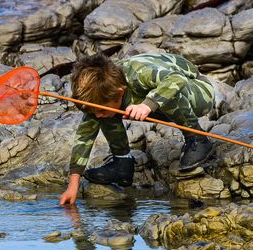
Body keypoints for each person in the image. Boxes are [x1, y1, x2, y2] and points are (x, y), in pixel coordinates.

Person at [58, 52, 216, 206]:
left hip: (198, 90)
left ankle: (197, 138)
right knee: (105, 116)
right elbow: (85, 136)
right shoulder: (102, 91)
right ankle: (122, 165)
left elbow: (176, 79)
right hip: (158, 100)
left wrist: (147, 105)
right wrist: (73, 185)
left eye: (101, 109)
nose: (97, 115)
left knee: (170, 92)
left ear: (120, 93)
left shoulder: (138, 74)